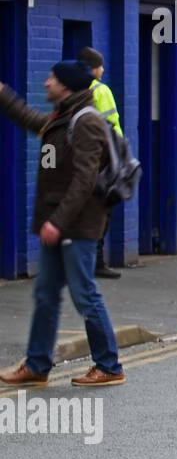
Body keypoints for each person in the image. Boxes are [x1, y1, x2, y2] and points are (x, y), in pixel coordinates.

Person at [0, 61, 126, 387]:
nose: (46, 83)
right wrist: (3, 95)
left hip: (77, 225)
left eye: (52, 79)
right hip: (60, 224)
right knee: (45, 294)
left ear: (66, 85)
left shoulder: (86, 122)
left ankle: (109, 365)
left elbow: (85, 180)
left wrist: (57, 222)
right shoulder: (63, 118)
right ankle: (37, 364)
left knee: (84, 294)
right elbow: (31, 120)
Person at [79, 47, 122, 279]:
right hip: (104, 159)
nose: (103, 69)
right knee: (102, 211)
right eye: (100, 65)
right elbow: (110, 125)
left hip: (81, 158)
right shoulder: (100, 89)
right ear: (94, 68)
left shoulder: (71, 87)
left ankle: (85, 261)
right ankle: (96, 262)